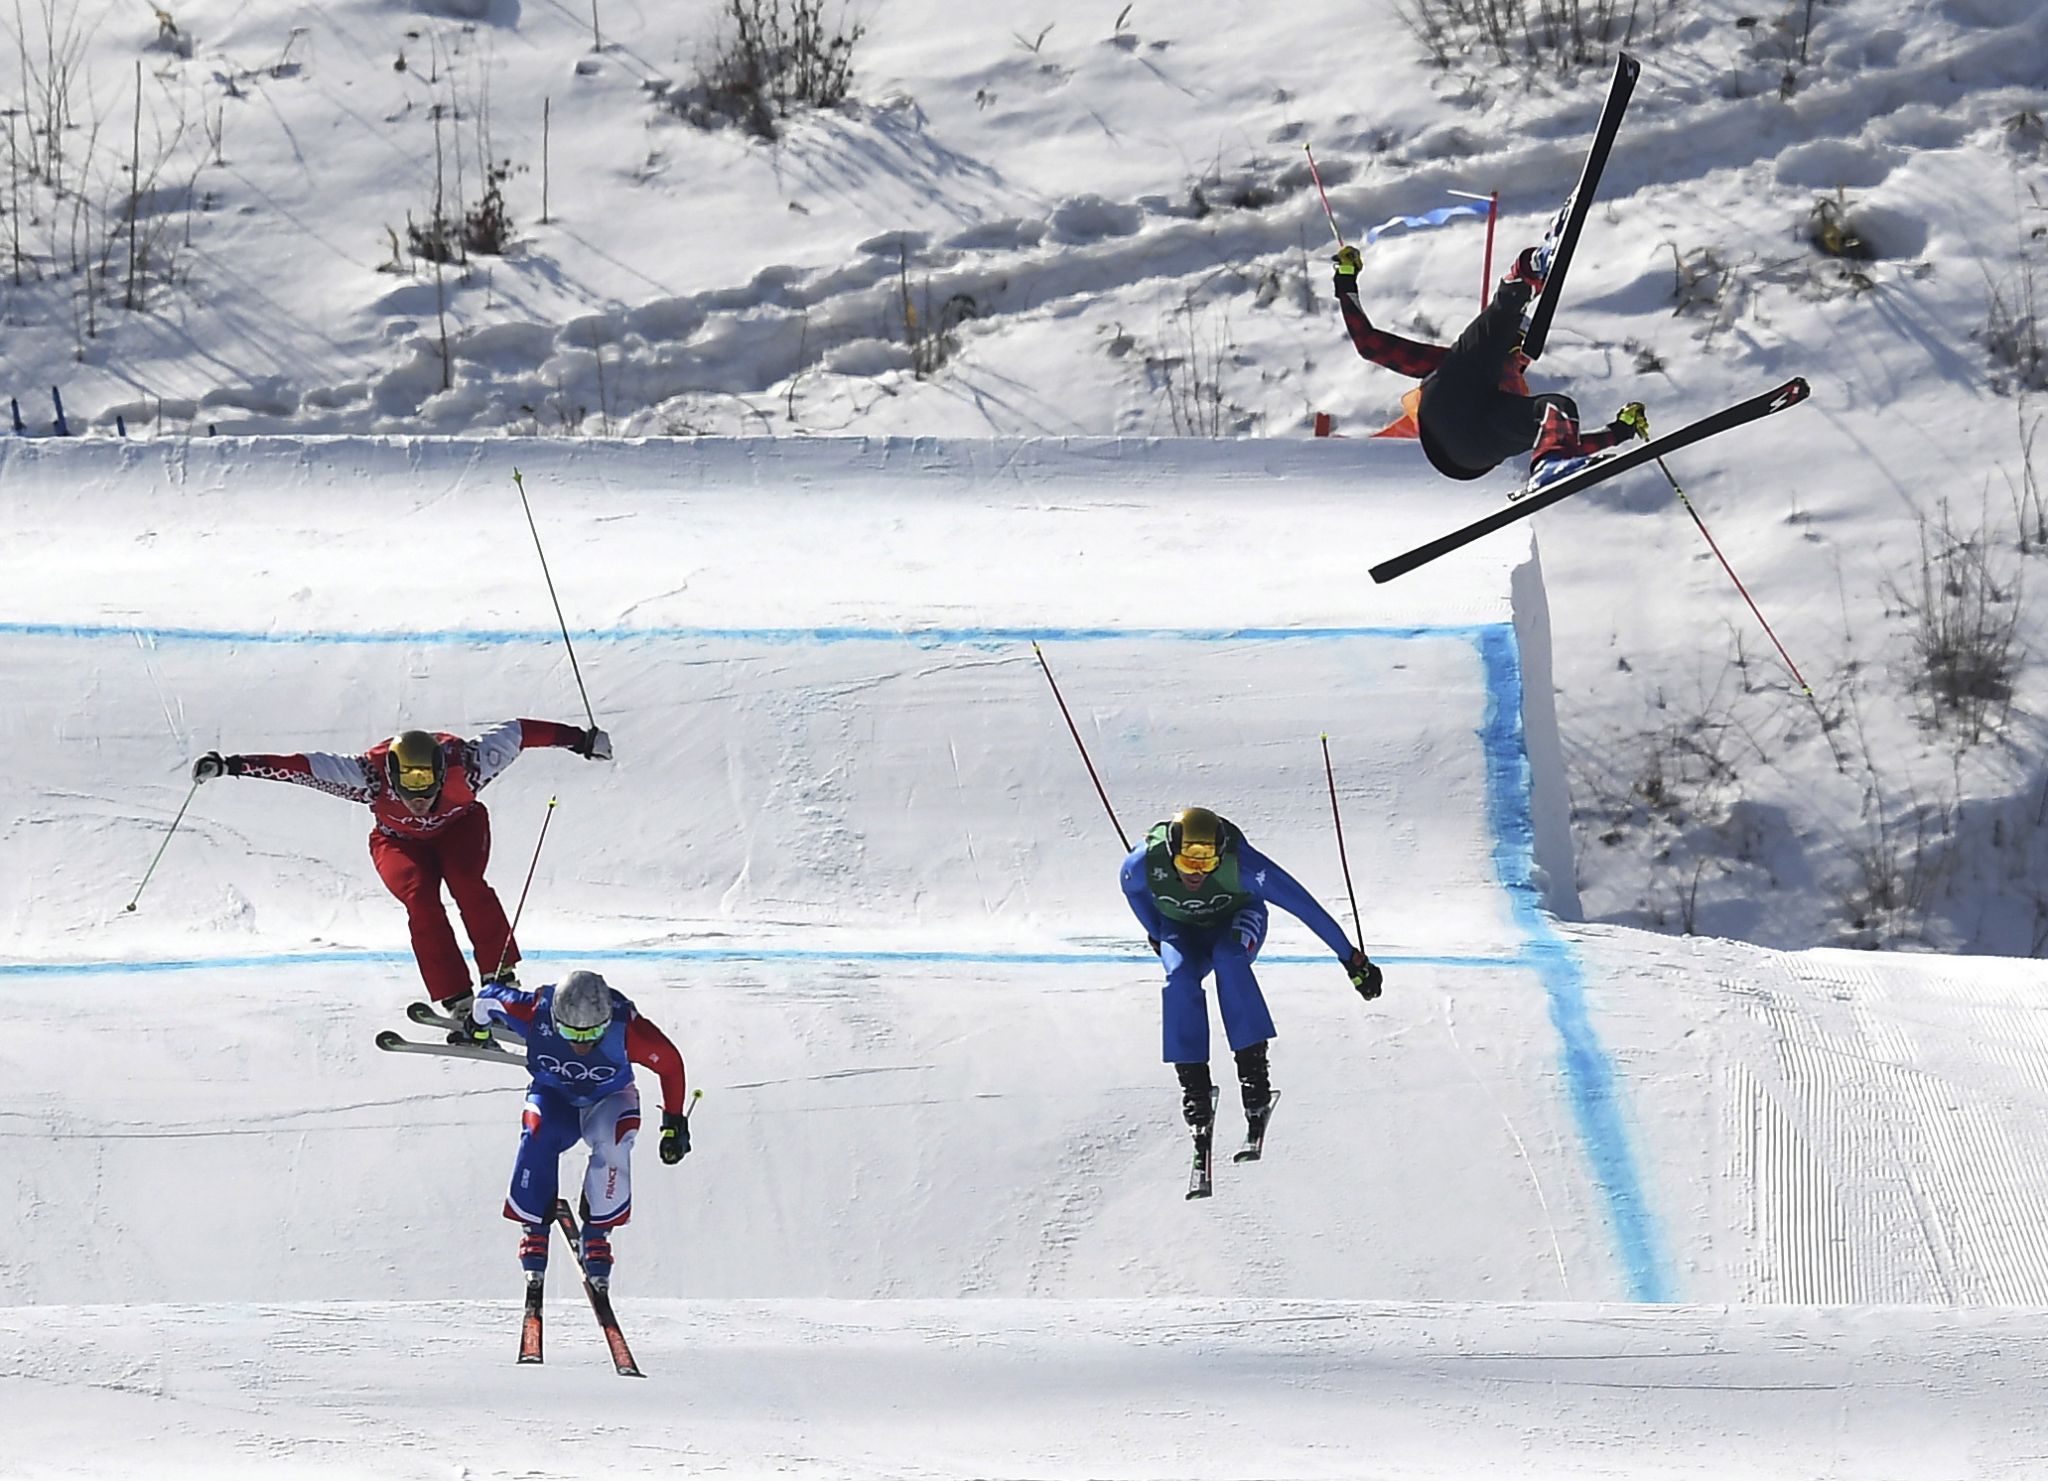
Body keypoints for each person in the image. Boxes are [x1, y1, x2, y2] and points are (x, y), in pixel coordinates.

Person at [190, 719, 610, 1030]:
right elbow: (299, 768)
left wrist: (582, 740)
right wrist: (229, 765)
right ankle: (457, 997)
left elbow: (521, 732)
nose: (420, 803)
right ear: (392, 779)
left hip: (460, 828)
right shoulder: (365, 776)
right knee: (420, 899)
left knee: (467, 883)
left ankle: (499, 976)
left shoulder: (472, 763)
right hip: (398, 842)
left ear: (442, 775)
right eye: (410, 795)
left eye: (428, 792)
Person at [1119, 806, 1383, 1139]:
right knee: (1179, 977)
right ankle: (1193, 1084)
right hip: (1181, 929)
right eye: (1188, 863)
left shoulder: (1242, 865)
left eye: (1207, 864)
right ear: (1171, 852)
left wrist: (1351, 959)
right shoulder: (1143, 863)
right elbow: (1131, 889)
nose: (1197, 874)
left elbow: (1304, 906)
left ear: (1220, 855)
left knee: (1229, 958)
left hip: (1235, 919)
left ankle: (1254, 1075)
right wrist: (1156, 931)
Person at [1332, 240, 1650, 487]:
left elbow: (1568, 440)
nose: (1517, 352)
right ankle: (1521, 281)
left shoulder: (1516, 397)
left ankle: (1549, 466)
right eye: (1516, 344)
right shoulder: (1462, 365)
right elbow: (1369, 344)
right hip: (1446, 419)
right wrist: (1346, 282)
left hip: (1471, 453)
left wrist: (1620, 431)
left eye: (1519, 347)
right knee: (1480, 350)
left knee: (1558, 409)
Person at [478, 969, 691, 1289]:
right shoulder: (534, 1012)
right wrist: (476, 1024)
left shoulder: (629, 1029)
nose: (582, 1043)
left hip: (609, 1097)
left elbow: (670, 1065)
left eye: (593, 1033)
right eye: (570, 1033)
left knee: (613, 1140)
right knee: (536, 1135)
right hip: (555, 1095)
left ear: (607, 1021)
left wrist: (673, 1122)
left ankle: (598, 1232)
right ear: (555, 1019)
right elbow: (488, 997)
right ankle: (534, 1226)